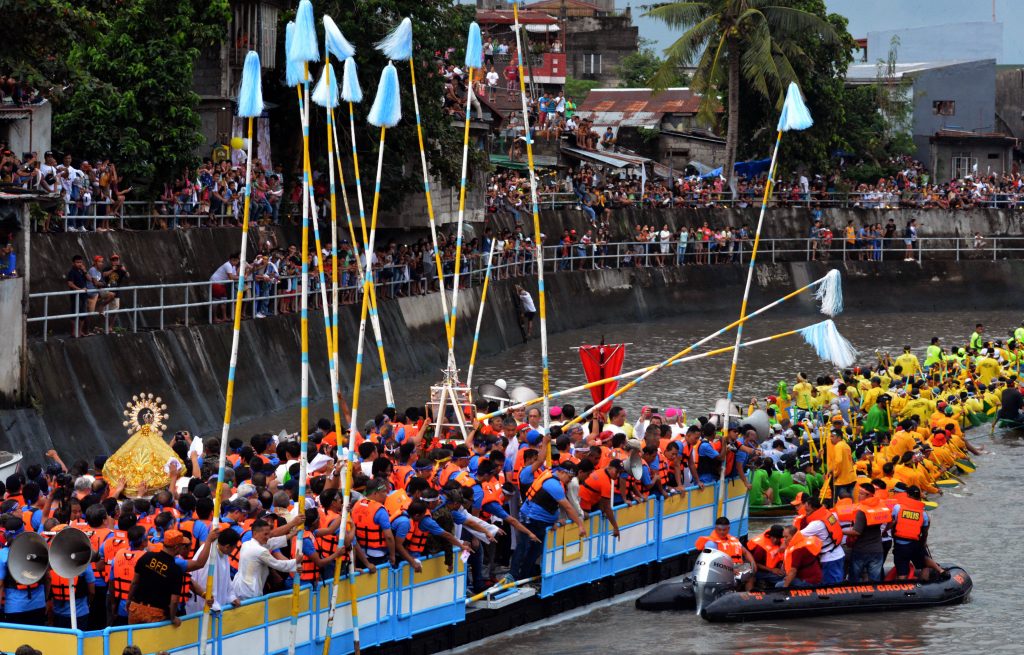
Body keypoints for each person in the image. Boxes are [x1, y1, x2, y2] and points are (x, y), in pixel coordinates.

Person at [510, 464, 586, 580]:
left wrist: (553, 521)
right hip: (532, 519)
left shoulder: (550, 475)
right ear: (562, 472)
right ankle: (514, 575)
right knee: (524, 547)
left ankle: (523, 576)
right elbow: (568, 508)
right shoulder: (553, 485)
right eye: (569, 478)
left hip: (540, 520)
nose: (569, 481)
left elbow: (549, 502)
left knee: (535, 550)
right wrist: (580, 525)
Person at [232, 516, 303, 601]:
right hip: (250, 591)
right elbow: (278, 564)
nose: (268, 537)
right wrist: (295, 561)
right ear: (254, 533)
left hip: (240, 587)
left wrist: (290, 535)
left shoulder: (246, 544)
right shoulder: (260, 551)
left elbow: (270, 543)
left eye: (269, 534)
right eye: (265, 534)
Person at [126, 529, 185, 625]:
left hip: (136, 609)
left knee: (133, 639)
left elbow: (134, 582)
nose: (183, 548)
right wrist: (173, 618)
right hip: (156, 614)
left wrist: (129, 600)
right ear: (176, 547)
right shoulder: (176, 570)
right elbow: (174, 601)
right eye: (182, 545)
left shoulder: (146, 556)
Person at [891, 485, 944, 581]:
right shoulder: (923, 513)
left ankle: (902, 590)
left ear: (907, 495)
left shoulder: (898, 507)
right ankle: (934, 576)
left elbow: (892, 522)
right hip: (915, 544)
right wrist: (923, 542)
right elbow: (925, 530)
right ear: (919, 496)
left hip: (900, 544)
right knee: (924, 564)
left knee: (902, 571)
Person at [793, 493, 845, 584]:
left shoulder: (816, 524)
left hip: (830, 558)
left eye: (808, 510)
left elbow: (796, 537)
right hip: (839, 554)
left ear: (815, 509)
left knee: (832, 587)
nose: (806, 513)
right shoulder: (830, 514)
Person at [843, 482, 889, 582]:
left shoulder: (861, 510)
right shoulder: (880, 506)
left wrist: (841, 531)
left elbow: (857, 532)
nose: (858, 495)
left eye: (861, 493)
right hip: (877, 549)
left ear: (869, 495)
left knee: (854, 580)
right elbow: (891, 521)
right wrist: (883, 531)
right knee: (875, 581)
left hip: (861, 550)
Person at [695, 517, 757, 590]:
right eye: (719, 530)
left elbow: (746, 552)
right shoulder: (711, 543)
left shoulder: (734, 540)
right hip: (722, 569)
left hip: (737, 567)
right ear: (715, 528)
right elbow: (708, 561)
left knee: (751, 575)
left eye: (724, 530)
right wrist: (730, 570)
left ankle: (746, 597)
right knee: (744, 578)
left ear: (728, 528)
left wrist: (753, 563)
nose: (722, 532)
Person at [351, 479, 397, 567]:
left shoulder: (356, 505)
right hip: (377, 555)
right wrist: (392, 555)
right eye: (383, 492)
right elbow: (389, 537)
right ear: (375, 493)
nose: (386, 495)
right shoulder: (380, 511)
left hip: (360, 554)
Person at [210, 253, 240, 323]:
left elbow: (234, 277)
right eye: (237, 261)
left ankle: (224, 317)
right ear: (233, 260)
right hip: (216, 283)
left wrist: (239, 277)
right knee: (216, 301)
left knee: (224, 300)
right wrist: (241, 278)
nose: (237, 262)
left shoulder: (233, 266)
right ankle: (214, 318)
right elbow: (231, 277)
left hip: (222, 284)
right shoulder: (228, 265)